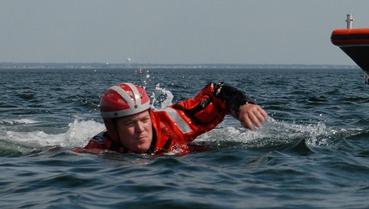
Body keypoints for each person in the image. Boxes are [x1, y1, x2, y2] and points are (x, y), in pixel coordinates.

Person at [81, 81, 268, 155]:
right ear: (112, 129)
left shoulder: (173, 122)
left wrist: (243, 105)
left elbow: (216, 92)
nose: (141, 129)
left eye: (144, 120)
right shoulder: (99, 149)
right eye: (130, 124)